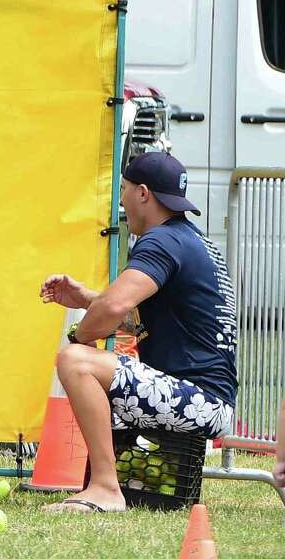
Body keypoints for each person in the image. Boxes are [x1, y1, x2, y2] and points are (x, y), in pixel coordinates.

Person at [40, 151, 237, 514]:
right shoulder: (189, 239)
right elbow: (140, 318)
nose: (121, 199)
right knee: (88, 365)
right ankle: (109, 482)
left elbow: (114, 309)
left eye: (125, 189)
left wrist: (81, 339)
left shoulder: (161, 240)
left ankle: (105, 488)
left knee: (75, 361)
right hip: (208, 401)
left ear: (143, 193)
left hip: (199, 401)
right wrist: (88, 300)